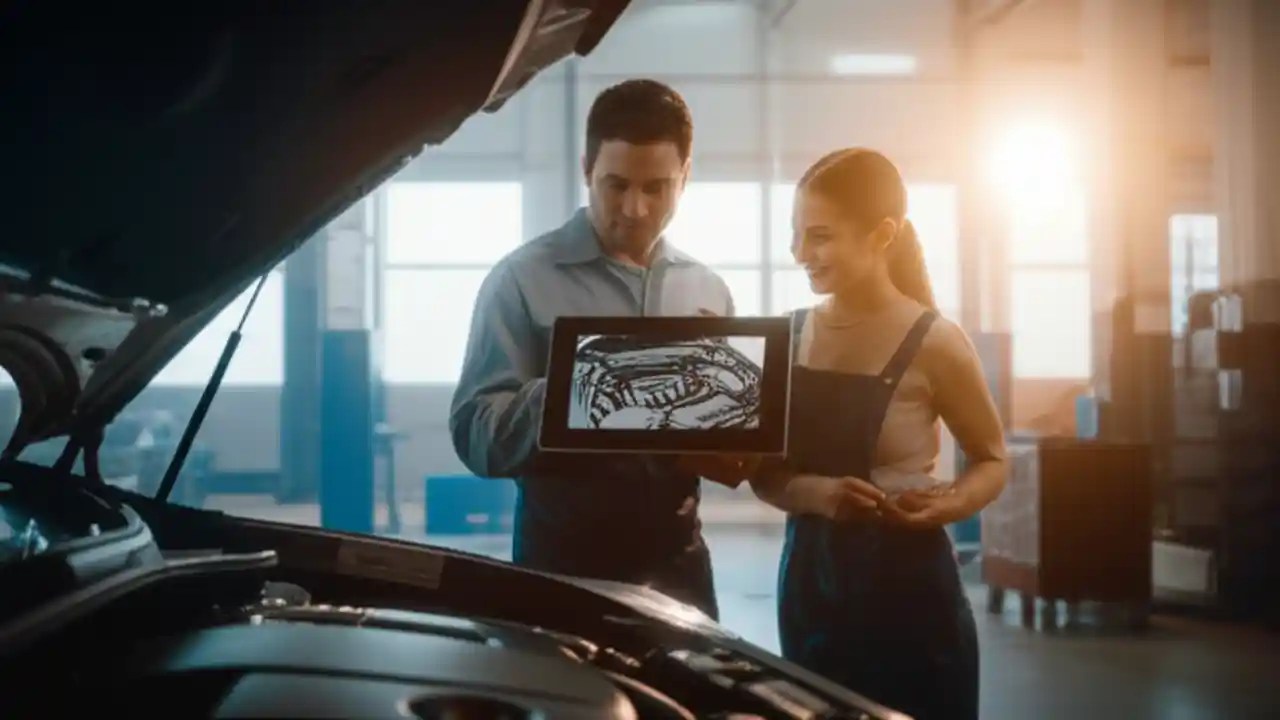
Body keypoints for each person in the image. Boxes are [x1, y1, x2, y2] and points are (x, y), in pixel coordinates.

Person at [449, 79, 738, 619]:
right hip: (563, 572)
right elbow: (476, 436)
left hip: (682, 575)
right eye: (616, 185)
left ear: (686, 177)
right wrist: (579, 387)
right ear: (587, 170)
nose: (635, 208)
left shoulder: (707, 290)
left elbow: (720, 435)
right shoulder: (520, 280)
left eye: (657, 188)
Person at [748, 148, 1008, 720]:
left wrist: (950, 504)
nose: (800, 254)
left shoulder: (937, 341)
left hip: (913, 596)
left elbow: (992, 459)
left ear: (883, 235)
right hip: (811, 589)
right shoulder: (789, 338)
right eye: (795, 234)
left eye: (820, 237)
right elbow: (765, 475)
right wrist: (818, 495)